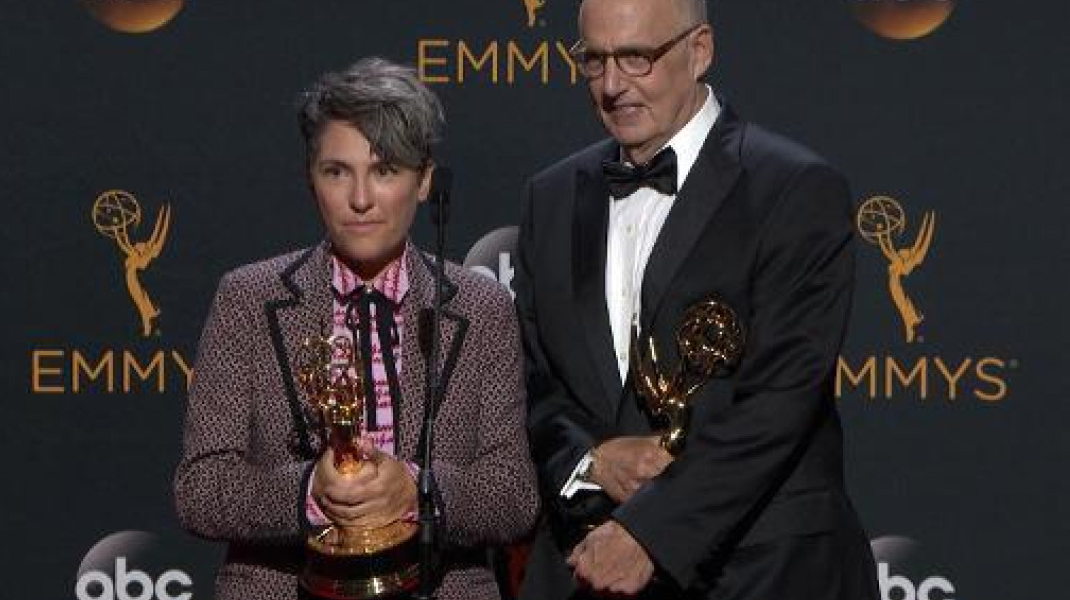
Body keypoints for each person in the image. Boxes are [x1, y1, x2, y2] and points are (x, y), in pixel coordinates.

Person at [513, 1, 880, 599]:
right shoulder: (550, 198)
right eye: (594, 60)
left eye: (636, 57)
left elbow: (781, 399)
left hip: (759, 569)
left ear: (700, 49)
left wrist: (650, 531)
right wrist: (593, 462)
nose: (611, 85)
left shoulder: (793, 189)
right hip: (588, 565)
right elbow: (535, 386)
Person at [174, 57, 537, 600]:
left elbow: (513, 497)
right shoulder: (247, 299)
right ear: (310, 177)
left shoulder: (482, 308)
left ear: (424, 181)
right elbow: (199, 489)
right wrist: (307, 492)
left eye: (385, 170)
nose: (361, 199)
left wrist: (416, 491)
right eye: (337, 171)